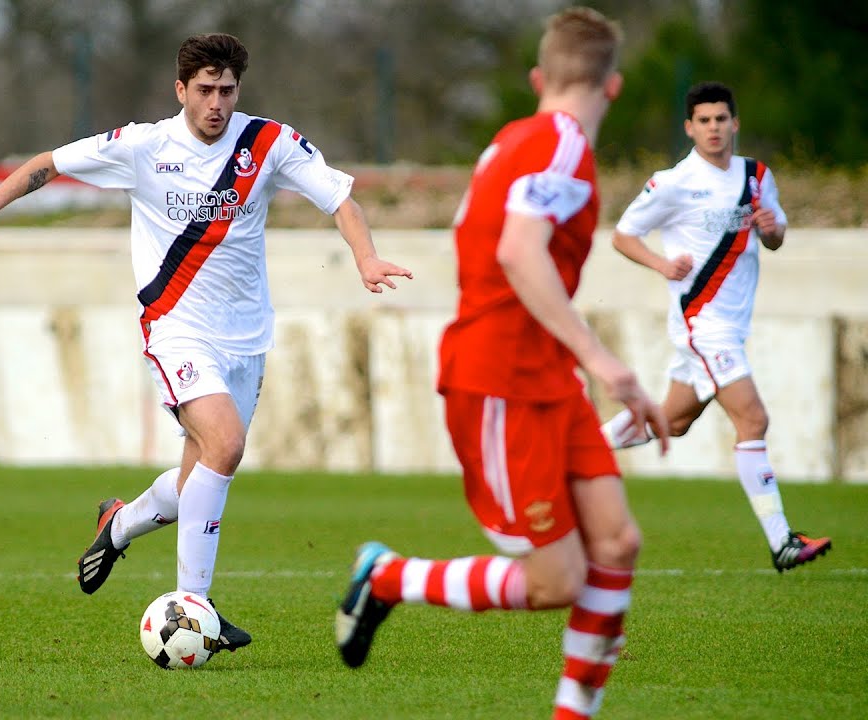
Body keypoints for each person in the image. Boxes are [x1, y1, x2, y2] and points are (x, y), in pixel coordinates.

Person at [0, 32, 412, 653]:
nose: (217, 102)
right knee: (225, 442)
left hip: (247, 339)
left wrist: (367, 256)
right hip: (175, 328)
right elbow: (49, 163)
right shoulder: (142, 146)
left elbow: (340, 197)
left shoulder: (267, 142)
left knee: (202, 471)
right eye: (206, 90)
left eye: (228, 90)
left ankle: (120, 523)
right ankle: (196, 606)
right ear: (181, 90)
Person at [335, 8, 669, 719]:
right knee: (556, 580)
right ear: (613, 87)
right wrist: (607, 363)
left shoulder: (519, 138)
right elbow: (520, 250)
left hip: (543, 374)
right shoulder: (560, 145)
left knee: (617, 540)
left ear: (537, 77)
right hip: (498, 379)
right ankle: (389, 576)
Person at [598, 82, 831, 573]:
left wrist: (771, 230)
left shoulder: (757, 177)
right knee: (753, 420)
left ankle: (574, 452)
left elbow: (776, 239)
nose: (713, 128)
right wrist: (662, 266)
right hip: (702, 325)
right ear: (689, 127)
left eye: (721, 119)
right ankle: (781, 541)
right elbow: (622, 235)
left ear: (735, 123)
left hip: (729, 327)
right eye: (703, 121)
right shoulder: (675, 181)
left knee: (673, 421)